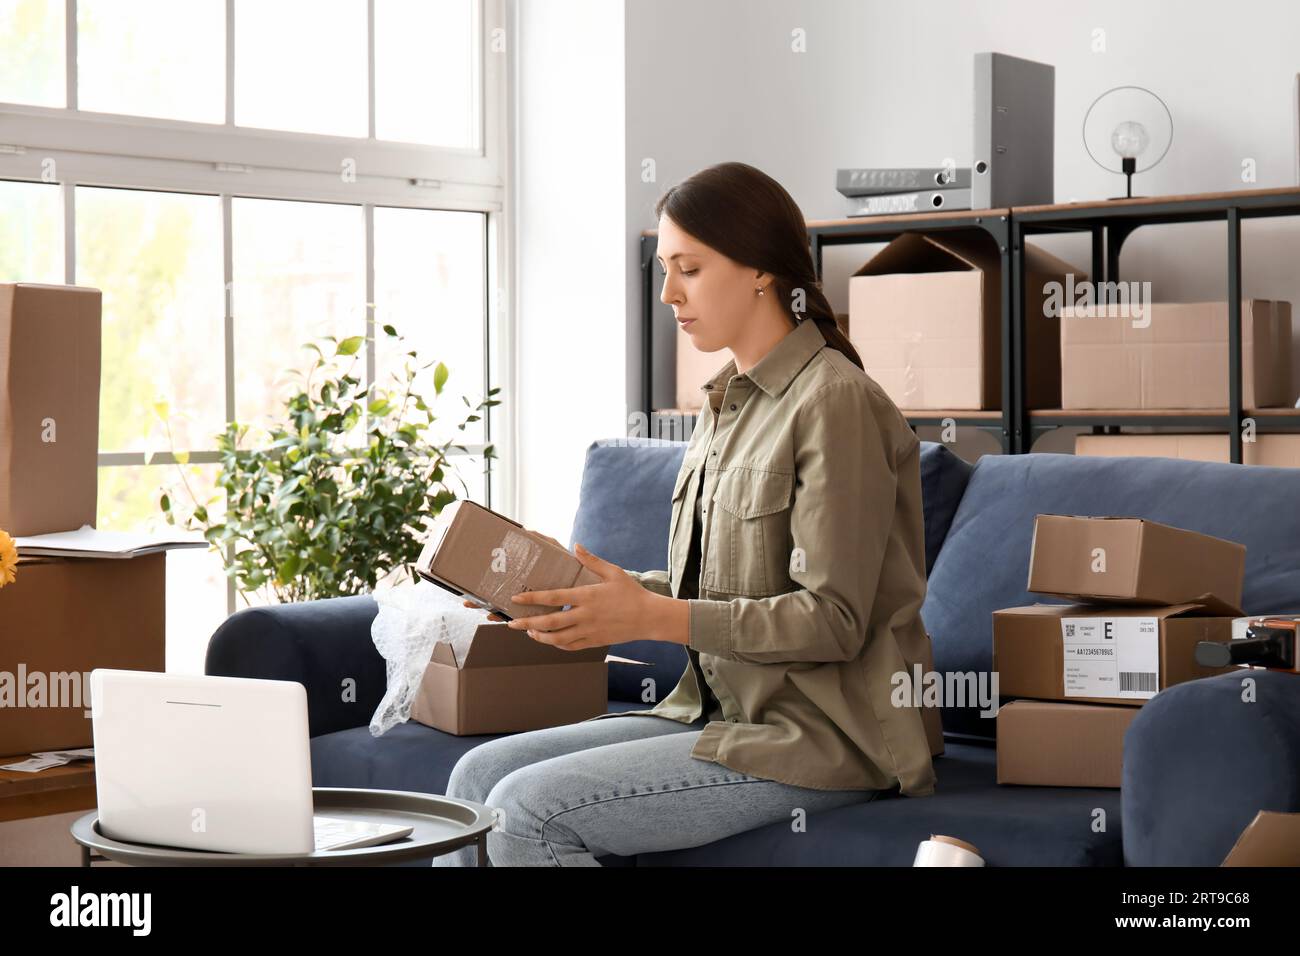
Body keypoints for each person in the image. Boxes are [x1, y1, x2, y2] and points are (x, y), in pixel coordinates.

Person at [433, 161, 936, 867]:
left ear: (761, 270)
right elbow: (725, 594)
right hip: (716, 711)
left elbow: (834, 619)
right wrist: (591, 592)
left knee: (526, 814)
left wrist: (649, 618)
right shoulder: (725, 400)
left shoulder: (834, 403)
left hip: (825, 739)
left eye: (689, 269)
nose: (668, 294)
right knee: (472, 783)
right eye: (665, 269)